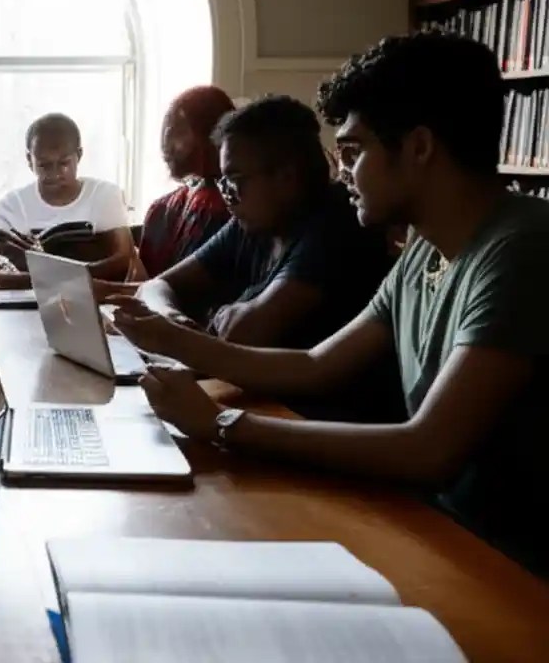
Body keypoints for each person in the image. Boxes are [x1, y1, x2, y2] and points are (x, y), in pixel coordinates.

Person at [111, 30, 549, 576]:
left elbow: (428, 448)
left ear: (418, 147)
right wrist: (170, 339)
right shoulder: (423, 252)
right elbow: (316, 365)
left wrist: (223, 424)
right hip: (434, 532)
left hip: (510, 567)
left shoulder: (522, 250)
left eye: (353, 151)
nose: (341, 172)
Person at [126, 95, 399, 421]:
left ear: (287, 176)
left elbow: (246, 333)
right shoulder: (251, 221)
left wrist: (176, 335)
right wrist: (172, 320)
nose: (227, 195)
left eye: (235, 180)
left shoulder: (338, 223)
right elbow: (155, 287)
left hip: (325, 425)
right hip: (267, 408)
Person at [0, 113, 135, 289]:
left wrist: (17, 280)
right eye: (44, 165)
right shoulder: (13, 205)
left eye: (64, 163)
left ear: (79, 156)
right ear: (29, 160)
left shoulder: (104, 195)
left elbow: (121, 262)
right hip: (21, 307)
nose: (55, 173)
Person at [134, 86, 236, 279]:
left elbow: (183, 292)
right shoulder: (161, 208)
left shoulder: (227, 210)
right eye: (167, 129)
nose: (166, 144)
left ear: (210, 133)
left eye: (179, 131)